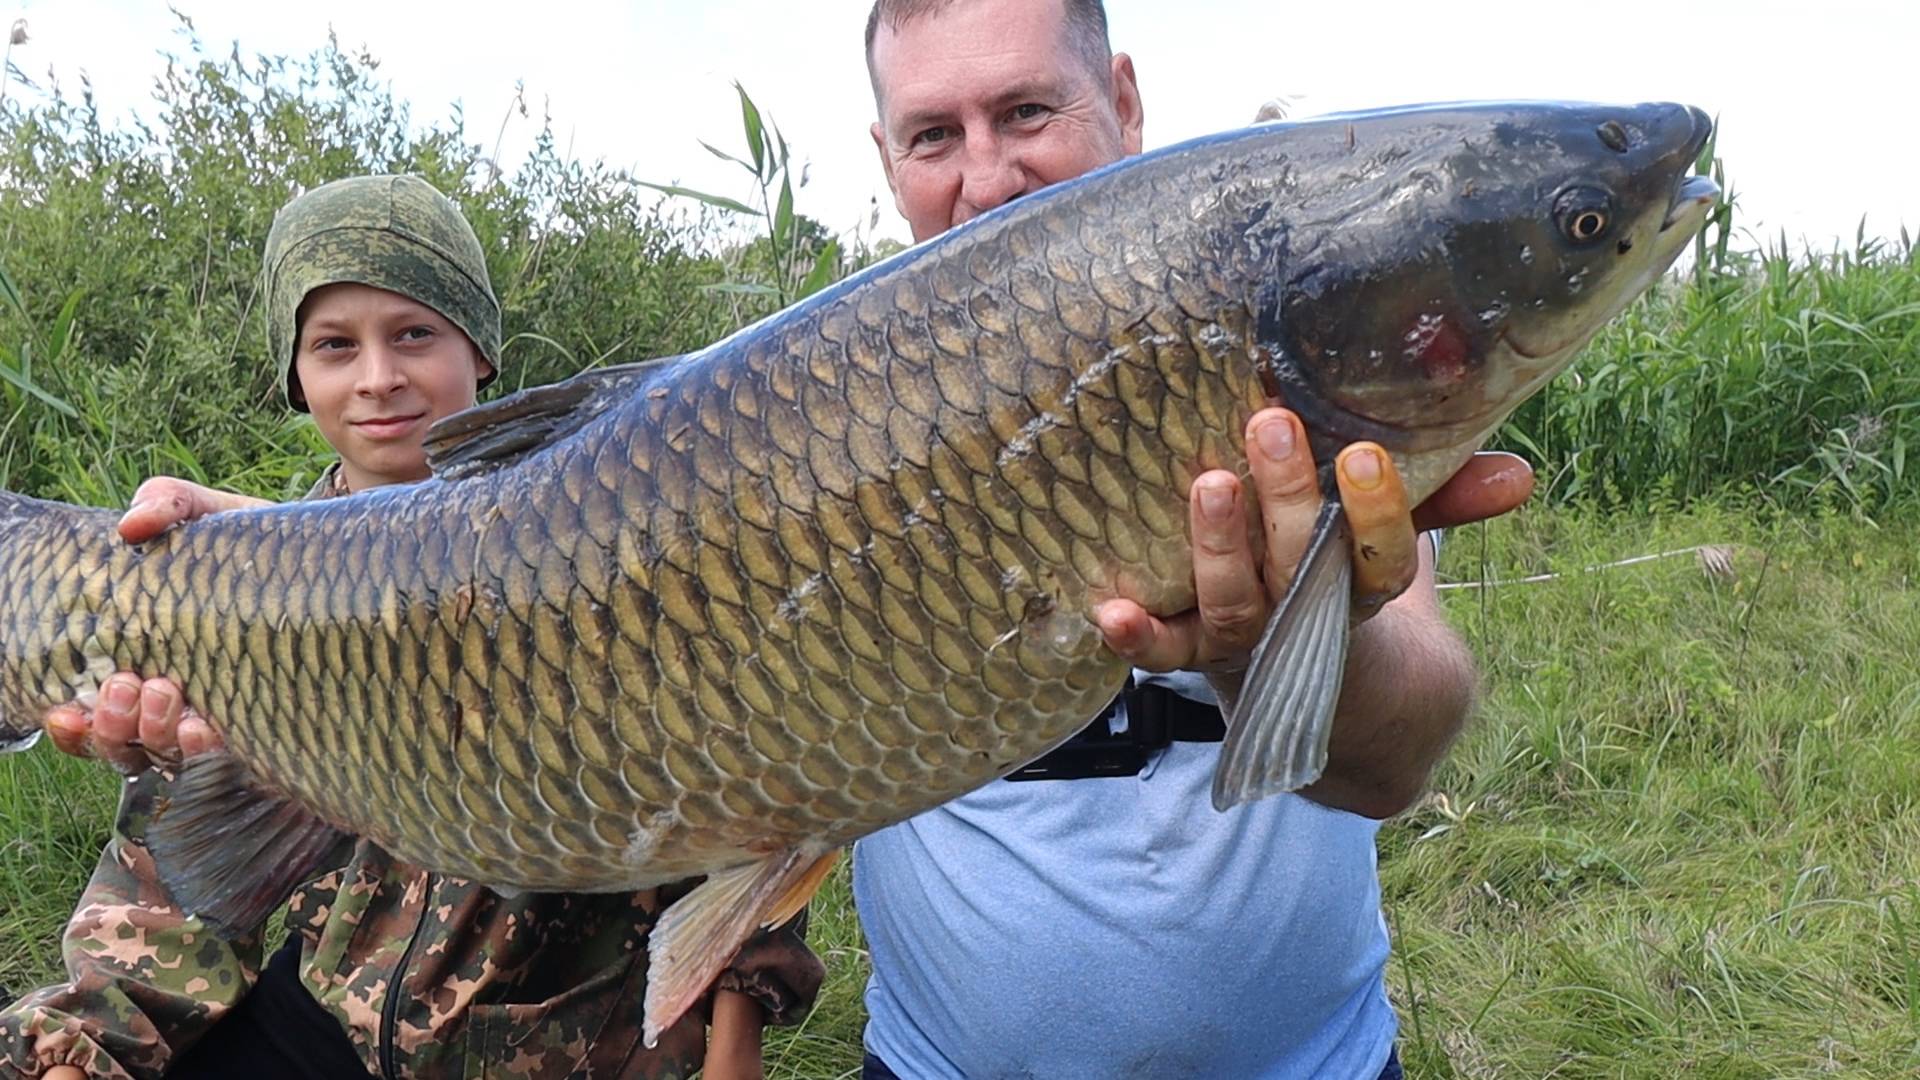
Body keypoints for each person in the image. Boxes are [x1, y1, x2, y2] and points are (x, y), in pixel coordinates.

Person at [0, 174, 821, 1080]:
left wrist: (733, 1044)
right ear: (297, 375)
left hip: (564, 1048)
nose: (377, 378)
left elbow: (770, 795)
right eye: (334, 346)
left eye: (415, 335)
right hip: (332, 1025)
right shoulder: (226, 595)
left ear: (480, 351)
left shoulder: (615, 526)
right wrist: (77, 1053)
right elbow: (179, 884)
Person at [852, 1, 1535, 1077]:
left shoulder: (1276, 325)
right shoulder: (813, 426)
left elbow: (1399, 757)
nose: (986, 179)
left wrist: (1292, 644)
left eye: (1027, 111)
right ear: (887, 157)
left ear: (1122, 102)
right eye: (935, 135)